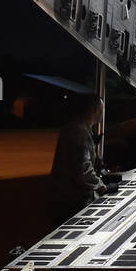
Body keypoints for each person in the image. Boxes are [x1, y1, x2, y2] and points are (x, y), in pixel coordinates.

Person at [49, 93, 108, 223]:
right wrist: (101, 185)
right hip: (72, 202)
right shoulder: (80, 133)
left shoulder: (77, 127)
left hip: (63, 198)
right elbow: (83, 171)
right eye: (101, 110)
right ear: (96, 111)